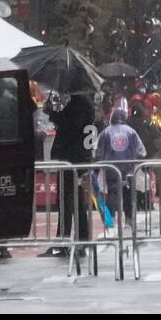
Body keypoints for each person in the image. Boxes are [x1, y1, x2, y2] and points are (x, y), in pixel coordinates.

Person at [43, 88, 97, 256]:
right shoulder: (83, 103)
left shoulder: (80, 104)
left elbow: (71, 126)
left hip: (73, 159)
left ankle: (67, 240)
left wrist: (53, 113)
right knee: (74, 201)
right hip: (76, 158)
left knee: (68, 200)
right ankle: (78, 239)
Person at [94, 106, 147, 225]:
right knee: (128, 194)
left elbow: (97, 152)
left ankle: (111, 219)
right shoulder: (131, 132)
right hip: (129, 169)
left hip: (110, 170)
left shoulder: (105, 132)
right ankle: (129, 218)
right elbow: (141, 151)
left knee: (112, 194)